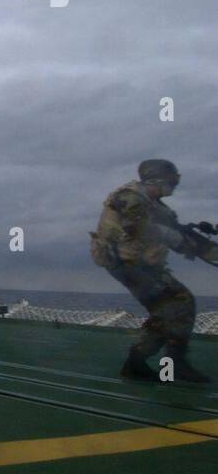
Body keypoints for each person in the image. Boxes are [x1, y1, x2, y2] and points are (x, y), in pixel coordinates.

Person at [90, 159, 216, 383]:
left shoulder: (157, 206)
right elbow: (138, 228)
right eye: (171, 181)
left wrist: (204, 247)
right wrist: (173, 235)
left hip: (143, 265)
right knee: (173, 306)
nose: (174, 186)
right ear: (157, 180)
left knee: (178, 305)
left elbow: (181, 238)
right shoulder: (129, 197)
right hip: (125, 264)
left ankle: (141, 363)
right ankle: (161, 364)